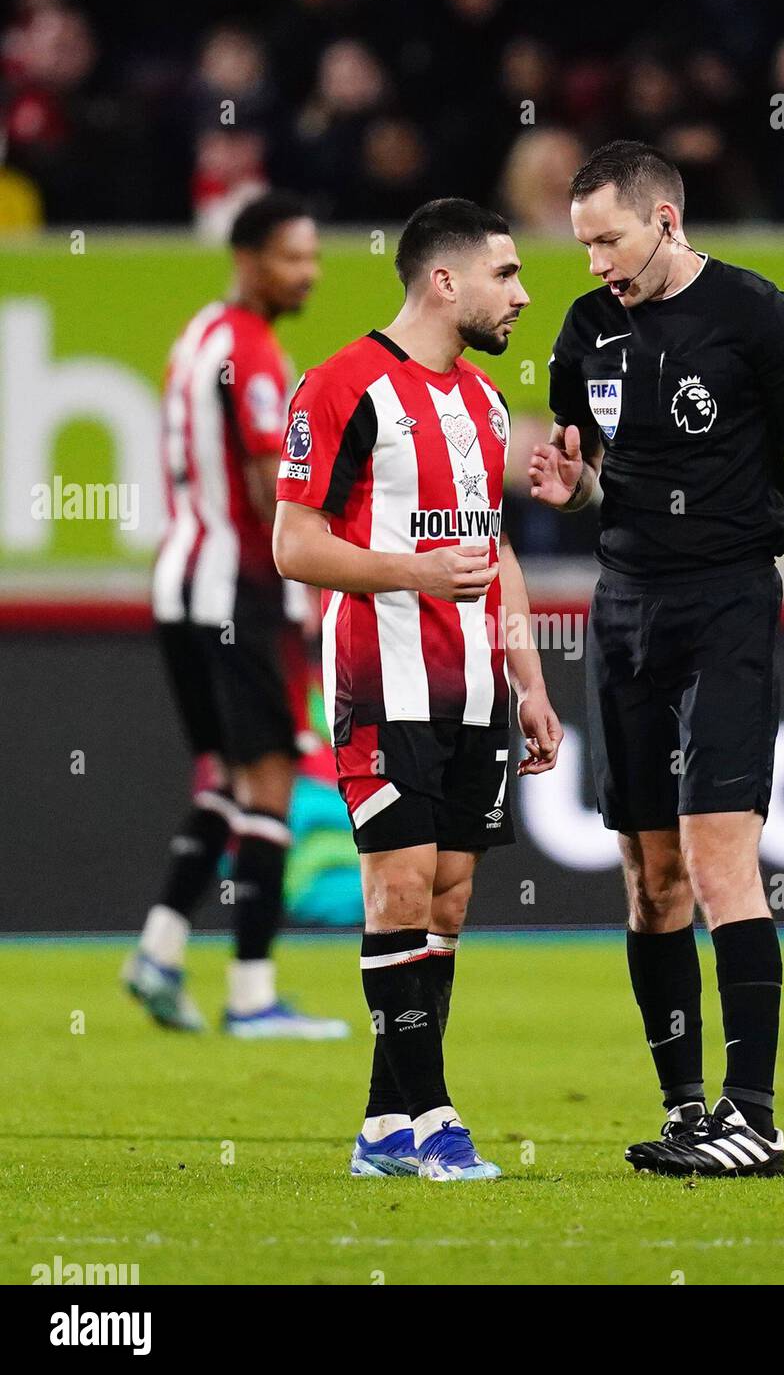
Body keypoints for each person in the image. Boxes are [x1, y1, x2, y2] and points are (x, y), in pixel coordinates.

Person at [530, 141, 784, 1177]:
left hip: (725, 598)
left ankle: (751, 1117)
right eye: (580, 243)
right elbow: (590, 477)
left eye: (606, 240)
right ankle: (685, 1111)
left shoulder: (757, 314)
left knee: (719, 849)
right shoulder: (584, 330)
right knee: (646, 872)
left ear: (663, 221)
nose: (591, 263)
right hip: (623, 606)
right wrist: (566, 488)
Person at [272, 198, 563, 1181]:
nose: (522, 295)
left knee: (445, 894)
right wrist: (414, 575)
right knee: (394, 887)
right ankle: (433, 1118)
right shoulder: (341, 387)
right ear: (444, 281)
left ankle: (379, 1127)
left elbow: (494, 550)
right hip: (377, 679)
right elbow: (294, 541)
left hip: (476, 688)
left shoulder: (481, 403)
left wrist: (527, 678)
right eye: (507, 274)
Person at [124, 191, 349, 1041]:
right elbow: (269, 490)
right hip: (241, 589)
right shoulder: (250, 351)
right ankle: (253, 994)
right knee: (270, 781)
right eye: (296, 258)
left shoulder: (196, 336)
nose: (310, 274)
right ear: (251, 260)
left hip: (179, 581)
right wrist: (319, 577)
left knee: (224, 774)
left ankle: (160, 946)